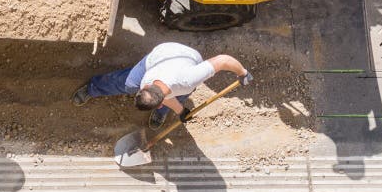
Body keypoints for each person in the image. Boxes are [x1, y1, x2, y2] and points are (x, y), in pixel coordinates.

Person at [71, 42, 252, 129]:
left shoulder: (190, 78)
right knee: (127, 84)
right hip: (160, 55)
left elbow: (222, 60)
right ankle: (93, 88)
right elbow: (168, 98)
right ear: (145, 88)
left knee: (182, 95)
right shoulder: (145, 81)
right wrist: (181, 111)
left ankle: (161, 114)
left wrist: (242, 72)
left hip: (188, 58)